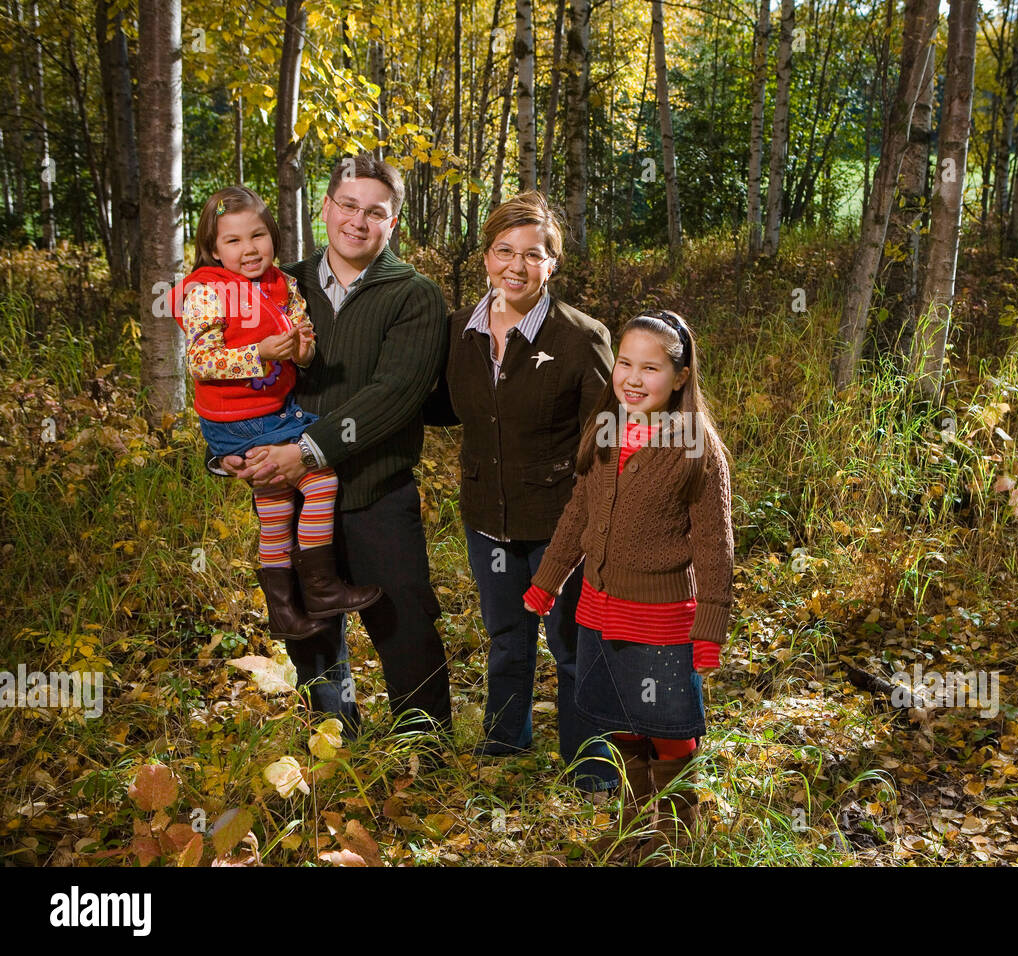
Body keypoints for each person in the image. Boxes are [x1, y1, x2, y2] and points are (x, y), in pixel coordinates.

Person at [214, 156, 452, 739]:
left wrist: (308, 451)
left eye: (375, 212)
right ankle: (335, 740)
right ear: (325, 209)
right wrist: (227, 453)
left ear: (392, 222)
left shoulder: (414, 296)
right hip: (289, 490)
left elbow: (393, 395)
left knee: (405, 626)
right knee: (312, 626)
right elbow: (222, 372)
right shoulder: (279, 284)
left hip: (376, 489)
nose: (357, 221)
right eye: (347, 206)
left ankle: (425, 755)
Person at [524, 309, 734, 860]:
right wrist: (549, 579)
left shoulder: (696, 448)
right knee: (620, 716)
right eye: (624, 363)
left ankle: (673, 830)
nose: (634, 379)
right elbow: (579, 515)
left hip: (661, 618)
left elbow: (715, 548)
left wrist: (709, 626)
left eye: (652, 368)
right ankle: (636, 822)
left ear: (681, 377)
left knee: (666, 721)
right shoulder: (606, 430)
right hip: (600, 609)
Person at [445, 190, 618, 792]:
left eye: (533, 254)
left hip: (559, 522)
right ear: (486, 255)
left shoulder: (581, 338)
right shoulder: (459, 331)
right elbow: (444, 409)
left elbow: (605, 444)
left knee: (570, 642)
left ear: (554, 263)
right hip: (485, 515)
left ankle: (590, 765)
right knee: (505, 635)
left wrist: (595, 523)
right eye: (503, 251)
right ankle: (504, 739)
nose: (516, 267)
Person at [177, 186, 382, 645]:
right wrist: (260, 353)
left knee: (275, 507)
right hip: (241, 419)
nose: (249, 249)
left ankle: (284, 610)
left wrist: (303, 351)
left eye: (258, 236)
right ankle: (322, 587)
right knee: (321, 478)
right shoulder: (209, 291)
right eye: (233, 241)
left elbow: (300, 346)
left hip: (273, 410)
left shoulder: (282, 285)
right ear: (212, 249)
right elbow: (201, 361)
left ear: (274, 236)